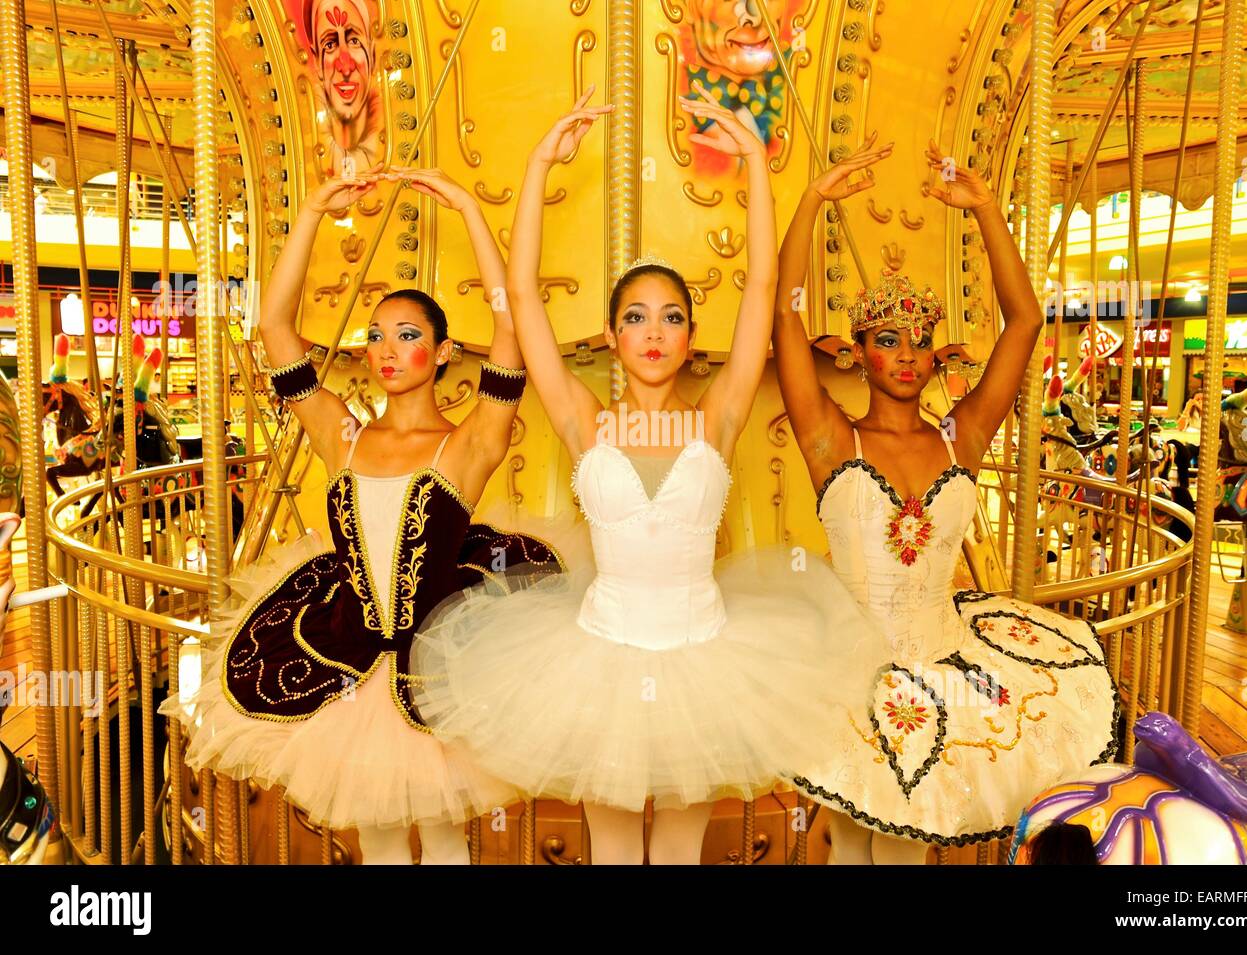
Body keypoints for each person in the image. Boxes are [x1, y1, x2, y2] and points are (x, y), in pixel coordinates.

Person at [412, 86, 867, 865]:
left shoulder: (717, 417)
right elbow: (519, 298)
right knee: (616, 853)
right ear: (613, 336)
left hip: (708, 652)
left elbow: (763, 287)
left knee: (683, 855)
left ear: (690, 337)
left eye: (670, 317)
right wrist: (537, 169)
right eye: (635, 316)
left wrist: (757, 163)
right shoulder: (583, 418)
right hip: (601, 655)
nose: (653, 332)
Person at [161, 168, 562, 864]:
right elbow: (274, 326)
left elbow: (509, 323)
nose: (384, 349)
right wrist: (315, 206)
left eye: (406, 334)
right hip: (344, 650)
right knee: (377, 840)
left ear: (440, 352)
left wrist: (469, 206)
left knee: (442, 838)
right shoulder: (340, 433)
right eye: (375, 334)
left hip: (436, 663)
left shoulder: (468, 443)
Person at [772, 139, 1120, 863]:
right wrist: (809, 201)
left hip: (943, 663)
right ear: (855, 353)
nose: (906, 353)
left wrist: (989, 211)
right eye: (886, 339)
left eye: (919, 340)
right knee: (844, 848)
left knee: (901, 853)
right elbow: (783, 319)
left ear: (938, 354)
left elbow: (1024, 321)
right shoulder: (832, 440)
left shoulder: (962, 436)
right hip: (846, 673)